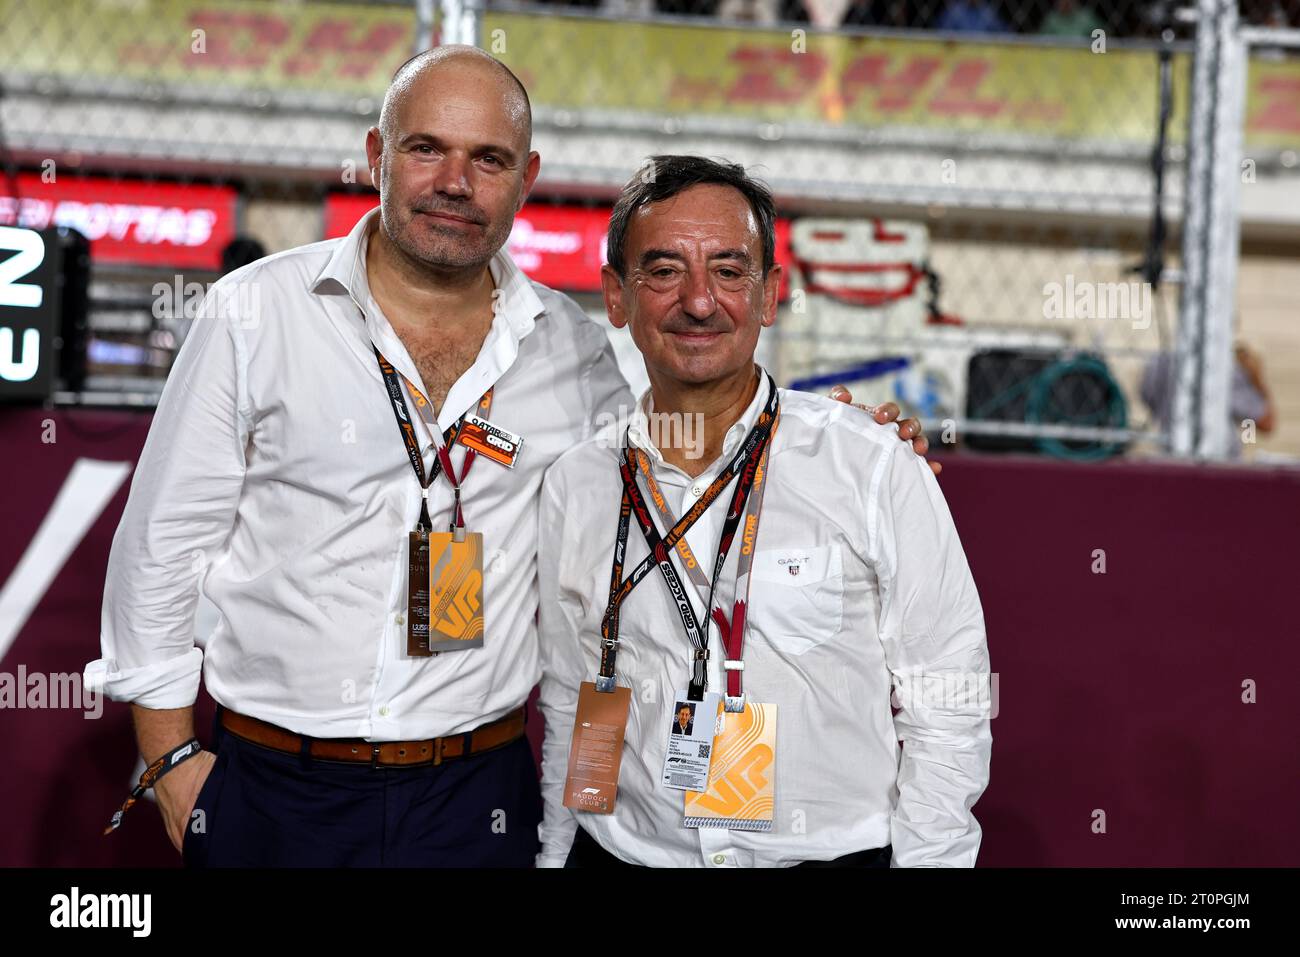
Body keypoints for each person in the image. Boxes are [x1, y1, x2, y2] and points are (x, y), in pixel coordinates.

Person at [85, 47, 930, 867]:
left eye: (488, 159)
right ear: (377, 155)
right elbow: (163, 543)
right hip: (274, 788)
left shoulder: (574, 351)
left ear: (527, 179)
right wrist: (171, 764)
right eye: (428, 149)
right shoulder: (256, 312)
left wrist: (832, 438)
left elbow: (683, 465)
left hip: (474, 798)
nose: (456, 182)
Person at [536, 156, 992, 869]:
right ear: (617, 297)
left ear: (770, 294)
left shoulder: (868, 463)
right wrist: (557, 855)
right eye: (664, 271)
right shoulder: (578, 483)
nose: (698, 301)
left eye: (728, 270)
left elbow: (948, 695)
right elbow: (572, 693)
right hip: (625, 854)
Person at [1139, 340, 1276, 459]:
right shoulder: (1228, 370)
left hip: (1170, 455)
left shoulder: (1160, 363)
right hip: (1221, 462)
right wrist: (1257, 379)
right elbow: (1266, 423)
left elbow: (1148, 401)